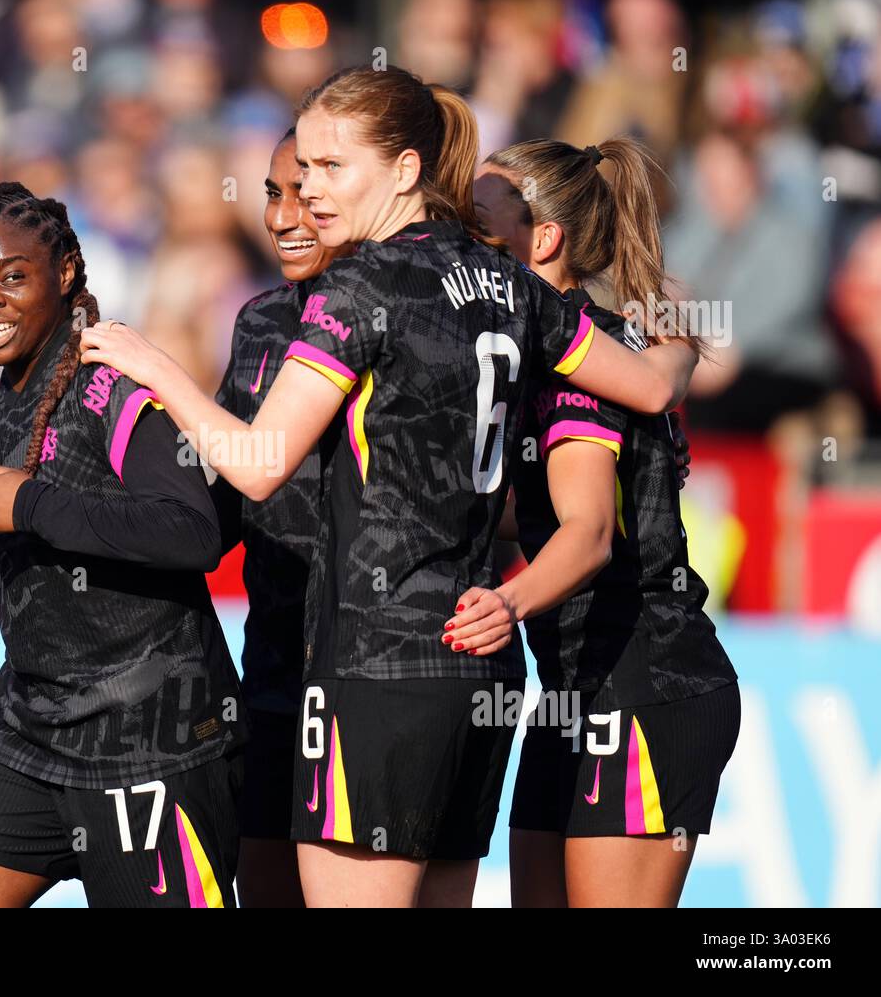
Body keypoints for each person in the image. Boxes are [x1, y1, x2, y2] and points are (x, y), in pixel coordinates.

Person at [78, 66, 698, 907]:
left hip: (376, 665)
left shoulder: (361, 284)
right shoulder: (507, 283)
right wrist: (679, 340)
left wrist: (157, 372)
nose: (311, 192)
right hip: (481, 668)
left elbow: (260, 462)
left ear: (405, 171)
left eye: (333, 170)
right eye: (304, 173)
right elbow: (652, 388)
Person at [0, 182, 245, 908]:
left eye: (12, 276)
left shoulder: (113, 389)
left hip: (155, 747)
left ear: (67, 274)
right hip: (29, 741)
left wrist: (34, 505)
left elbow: (196, 531)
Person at [460, 137, 739, 906]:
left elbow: (587, 535)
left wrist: (505, 601)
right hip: (571, 688)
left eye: (480, 228)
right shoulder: (548, 353)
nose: (462, 247)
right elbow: (539, 507)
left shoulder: (580, 357)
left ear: (543, 239)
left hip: (646, 678)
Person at [209, 127, 350, 906]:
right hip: (271, 673)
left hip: (373, 681)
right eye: (271, 192)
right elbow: (221, 502)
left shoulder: (407, 315)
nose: (285, 215)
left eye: (305, 192)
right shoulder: (260, 321)